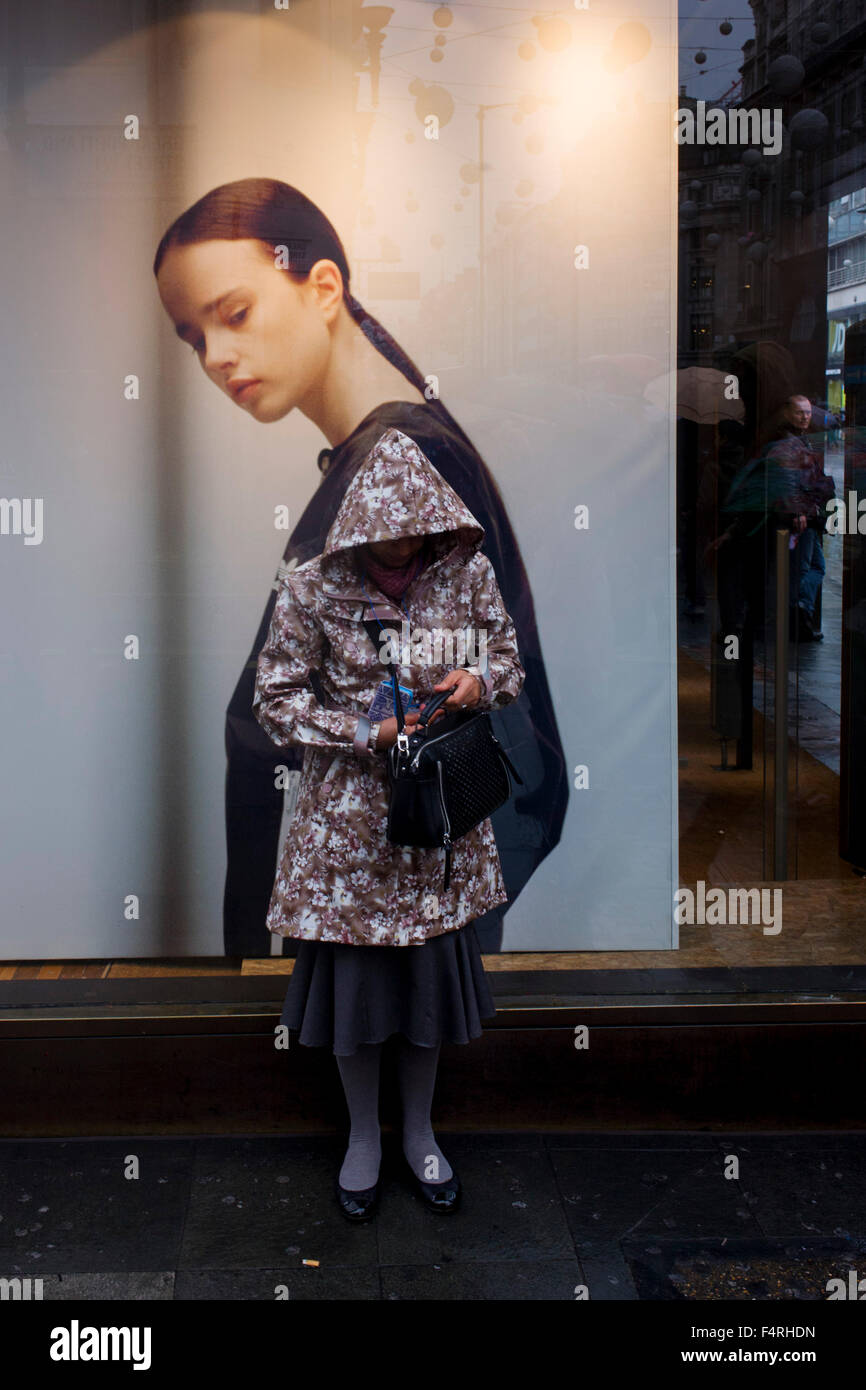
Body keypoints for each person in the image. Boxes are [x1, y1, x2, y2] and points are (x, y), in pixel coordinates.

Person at [152, 177, 568, 960]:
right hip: (392, 872)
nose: (216, 355)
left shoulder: (400, 462)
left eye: (233, 313)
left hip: (400, 881)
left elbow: (434, 682)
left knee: (393, 1043)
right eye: (191, 337)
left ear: (324, 287)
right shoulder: (391, 454)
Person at [251, 428, 524, 1218]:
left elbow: (506, 657)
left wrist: (479, 680)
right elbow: (275, 700)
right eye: (383, 529)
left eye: (412, 526)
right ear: (359, 522)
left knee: (427, 997)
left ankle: (420, 1134)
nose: (398, 543)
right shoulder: (309, 589)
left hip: (437, 826)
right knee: (358, 1001)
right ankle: (362, 1138)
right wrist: (359, 733)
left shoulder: (465, 573)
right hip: (350, 837)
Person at [765, 394, 835, 641]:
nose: (805, 417)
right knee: (803, 568)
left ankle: (801, 610)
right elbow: (787, 478)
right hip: (800, 516)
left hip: (808, 513)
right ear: (788, 414)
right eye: (799, 412)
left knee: (815, 566)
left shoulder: (801, 440)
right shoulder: (788, 443)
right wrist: (796, 510)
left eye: (807, 412)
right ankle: (796, 614)